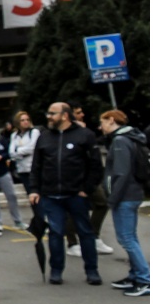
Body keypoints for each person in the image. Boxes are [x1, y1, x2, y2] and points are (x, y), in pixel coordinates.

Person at [29, 101, 103, 286]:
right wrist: (34, 190)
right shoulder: (44, 137)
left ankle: (92, 271)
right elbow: (36, 166)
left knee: (85, 233)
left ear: (65, 115)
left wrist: (87, 189)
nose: (48, 117)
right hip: (51, 195)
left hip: (76, 195)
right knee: (55, 233)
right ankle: (56, 270)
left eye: (52, 113)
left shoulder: (85, 135)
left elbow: (95, 165)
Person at [98, 108, 151, 297]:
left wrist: (112, 198)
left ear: (111, 120)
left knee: (127, 239)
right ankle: (135, 275)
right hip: (132, 194)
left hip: (125, 196)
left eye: (103, 122)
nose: (100, 126)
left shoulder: (120, 142)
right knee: (130, 237)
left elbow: (121, 173)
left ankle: (144, 280)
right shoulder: (129, 138)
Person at [5, 110, 39, 234]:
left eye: (27, 120)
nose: (25, 122)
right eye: (22, 120)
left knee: (37, 196)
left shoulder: (34, 132)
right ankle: (38, 221)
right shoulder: (14, 135)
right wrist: (19, 152)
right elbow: (11, 152)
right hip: (22, 169)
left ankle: (40, 221)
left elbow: (32, 148)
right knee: (30, 196)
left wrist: (18, 151)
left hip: (33, 168)